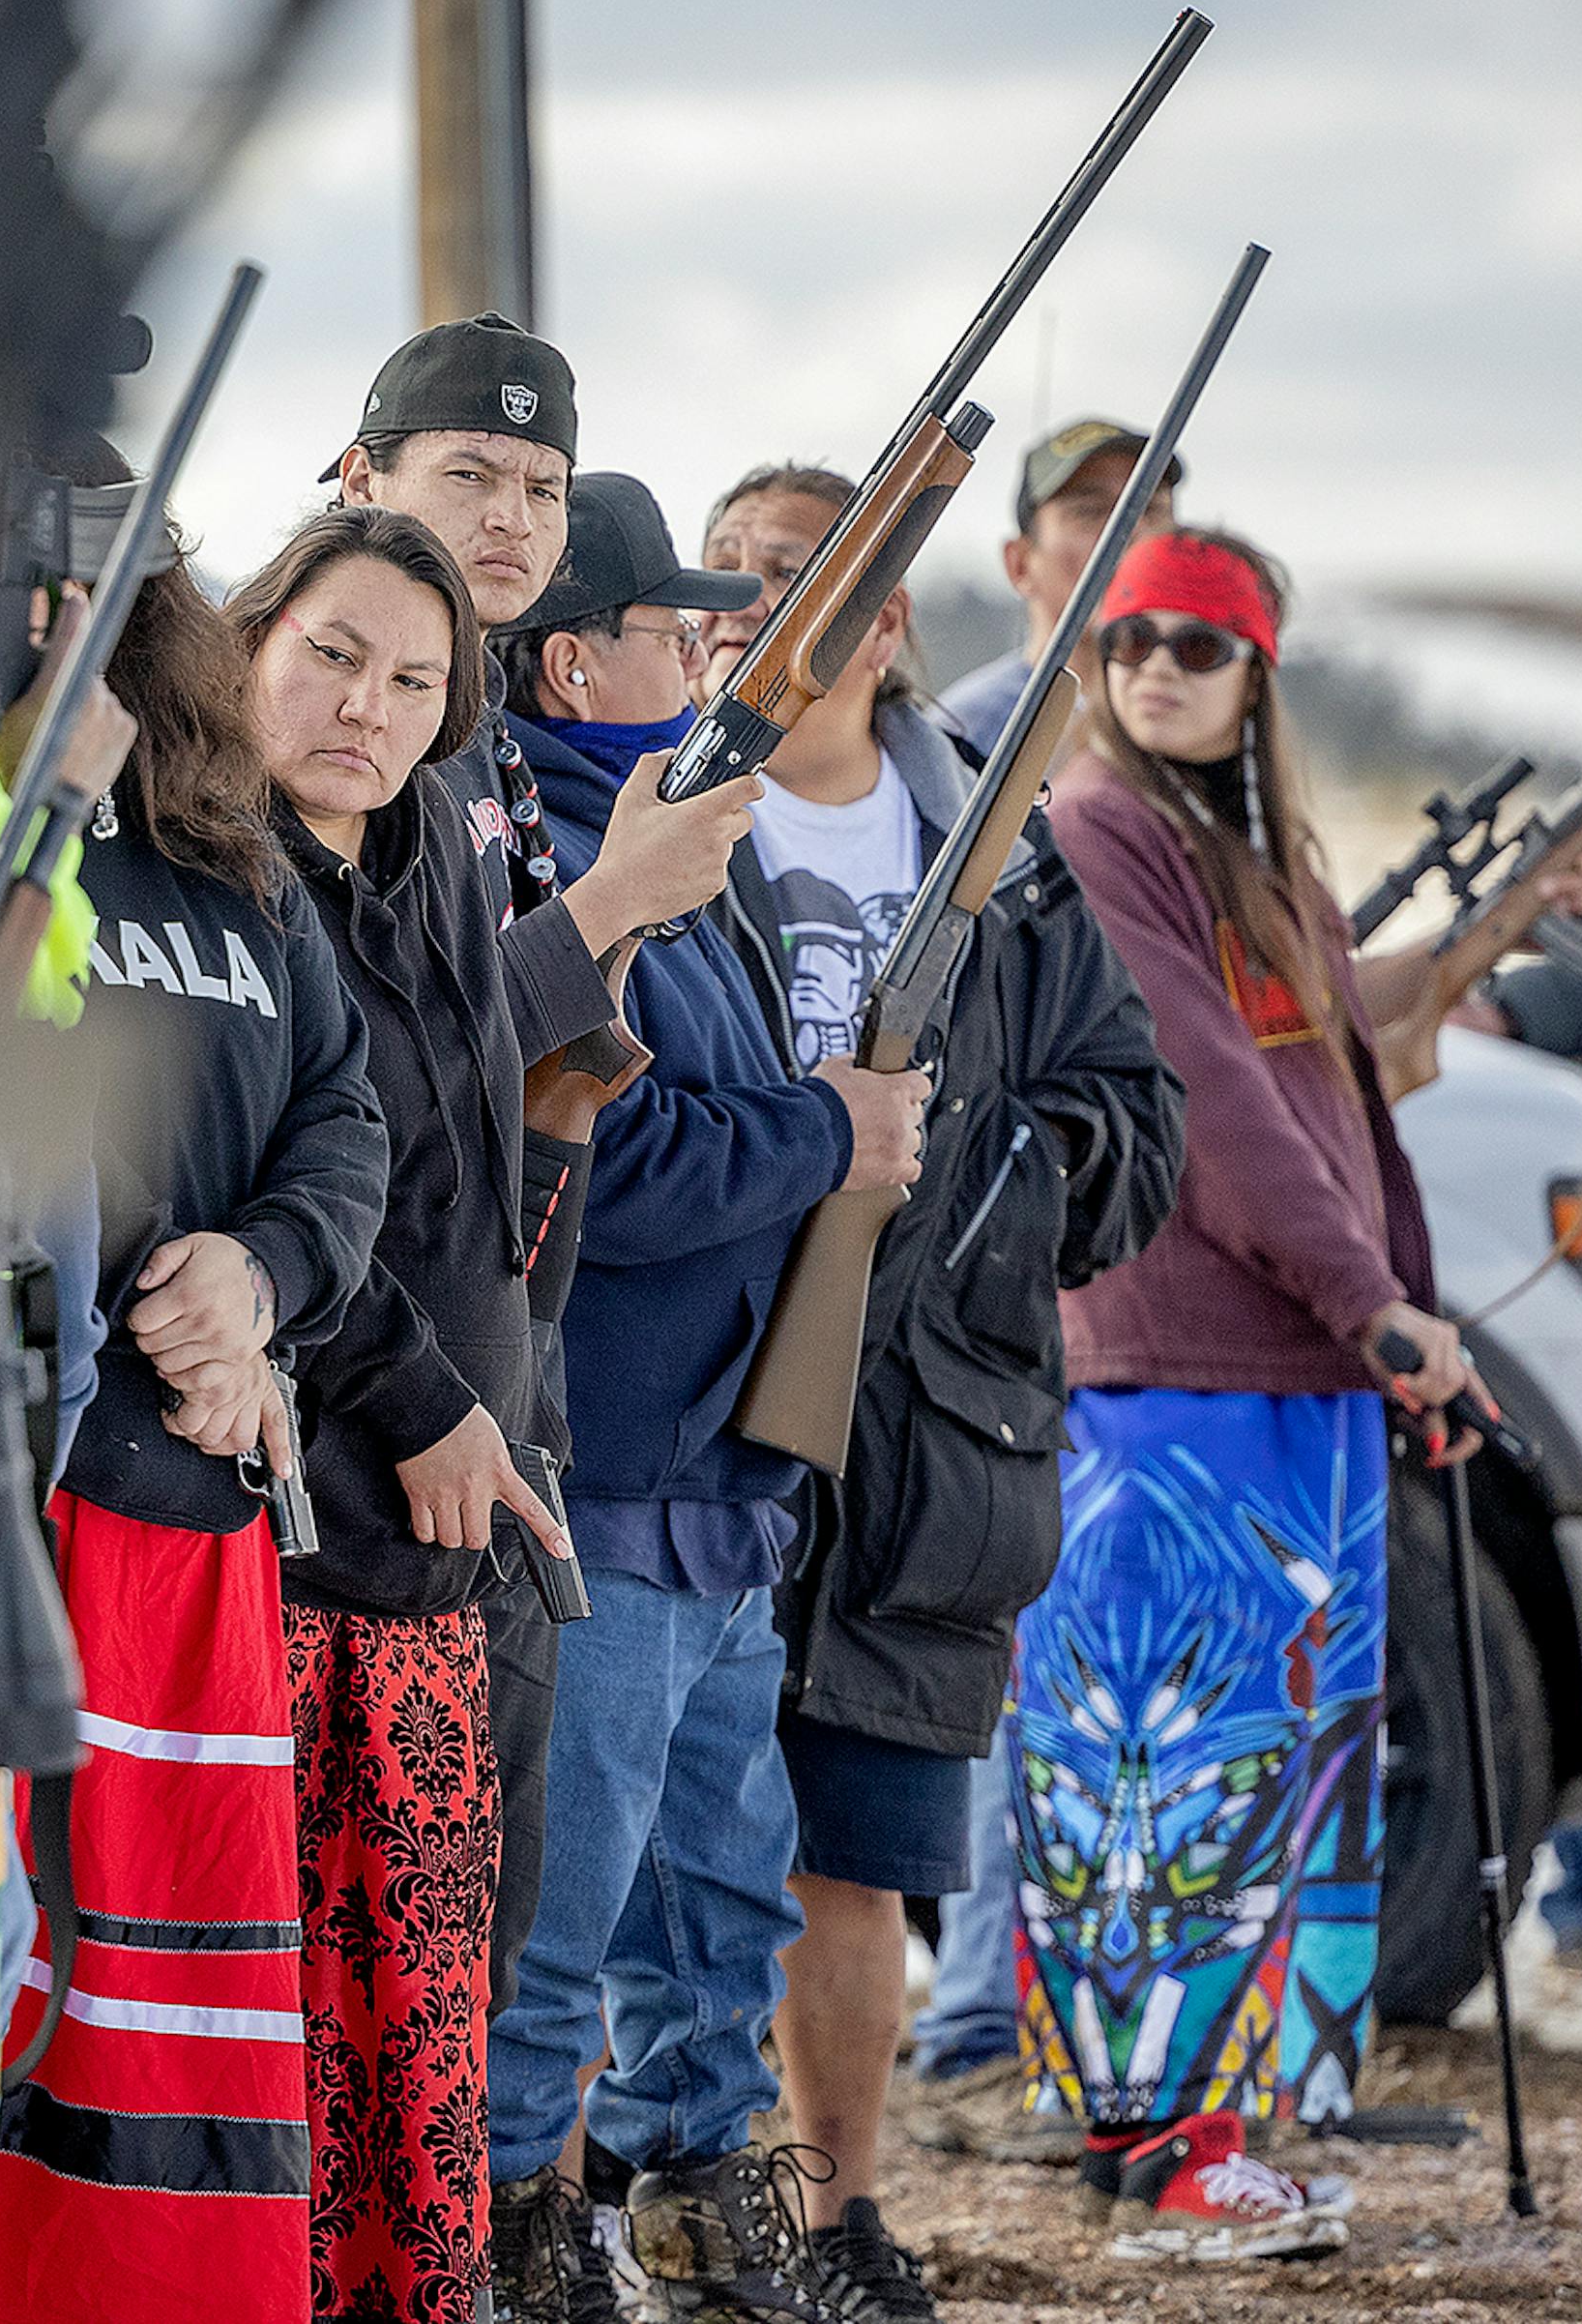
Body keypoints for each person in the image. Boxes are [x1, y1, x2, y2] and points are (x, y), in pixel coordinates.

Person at [699, 466, 1184, 2324]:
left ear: (891, 620)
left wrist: (978, 1173)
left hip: (933, 1425)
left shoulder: (1013, 857)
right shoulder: (660, 820)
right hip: (702, 1401)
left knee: (861, 1853)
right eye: (729, 576)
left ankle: (836, 2219)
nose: (753, 604)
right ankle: (676, 2197)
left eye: (800, 576)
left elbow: (1137, 1126)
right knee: (670, 1838)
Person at [482, 475, 928, 2324]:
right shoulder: (572, 869)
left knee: (722, 1909)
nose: (708, 649)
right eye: (676, 626)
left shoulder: (683, 840)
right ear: (580, 661)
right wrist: (833, 1128)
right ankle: (511, 2222)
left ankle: (695, 2202)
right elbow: (625, 1164)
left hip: (720, 1486)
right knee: (557, 1920)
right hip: (612, 1480)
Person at [327, 318, 758, 2197]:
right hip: (349, 1433)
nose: (506, 515)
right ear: (361, 482)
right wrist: (608, 908)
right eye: (463, 474)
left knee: (467, 1961)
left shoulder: (479, 747)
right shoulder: (329, 727)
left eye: (536, 485)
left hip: (503, 1406)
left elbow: (522, 1110)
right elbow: (365, 1081)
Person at [1024, 528, 1483, 2264]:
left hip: (1297, 1370)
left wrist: (1405, 1320)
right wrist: (1370, 1304)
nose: (1155, 668)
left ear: (1256, 673)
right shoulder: (1102, 825)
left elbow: (1346, 1110)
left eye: (1196, 647)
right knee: (1165, 1758)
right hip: (1175, 1370)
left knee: (1292, 1755)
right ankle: (1158, 2141)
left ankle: (1231, 2121)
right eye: (1131, 639)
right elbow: (1208, 1096)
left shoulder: (1261, 851)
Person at [0, 540, 389, 2322]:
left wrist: (262, 1272)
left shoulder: (245, 868)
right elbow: (18, 1096)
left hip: (194, 1537)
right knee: (21, 1988)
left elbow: (344, 1115)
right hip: (32, 1504)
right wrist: (183, 1295)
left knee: (172, 2027)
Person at [221, 508, 582, 2324]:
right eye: (336, 652)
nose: (368, 705)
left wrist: (513, 1406)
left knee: (430, 1994)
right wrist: (434, 1401)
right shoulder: (206, 854)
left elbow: (471, 1160)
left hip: (455, 1517)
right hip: (288, 1523)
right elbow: (275, 1187)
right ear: (258, 633)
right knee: (278, 2009)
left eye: (416, 679)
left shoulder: (440, 836)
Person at [936, 418, 1184, 751]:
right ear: (1020, 564)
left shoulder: (1205, 720)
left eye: (1151, 509)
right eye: (1092, 512)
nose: (1131, 532)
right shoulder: (964, 735)